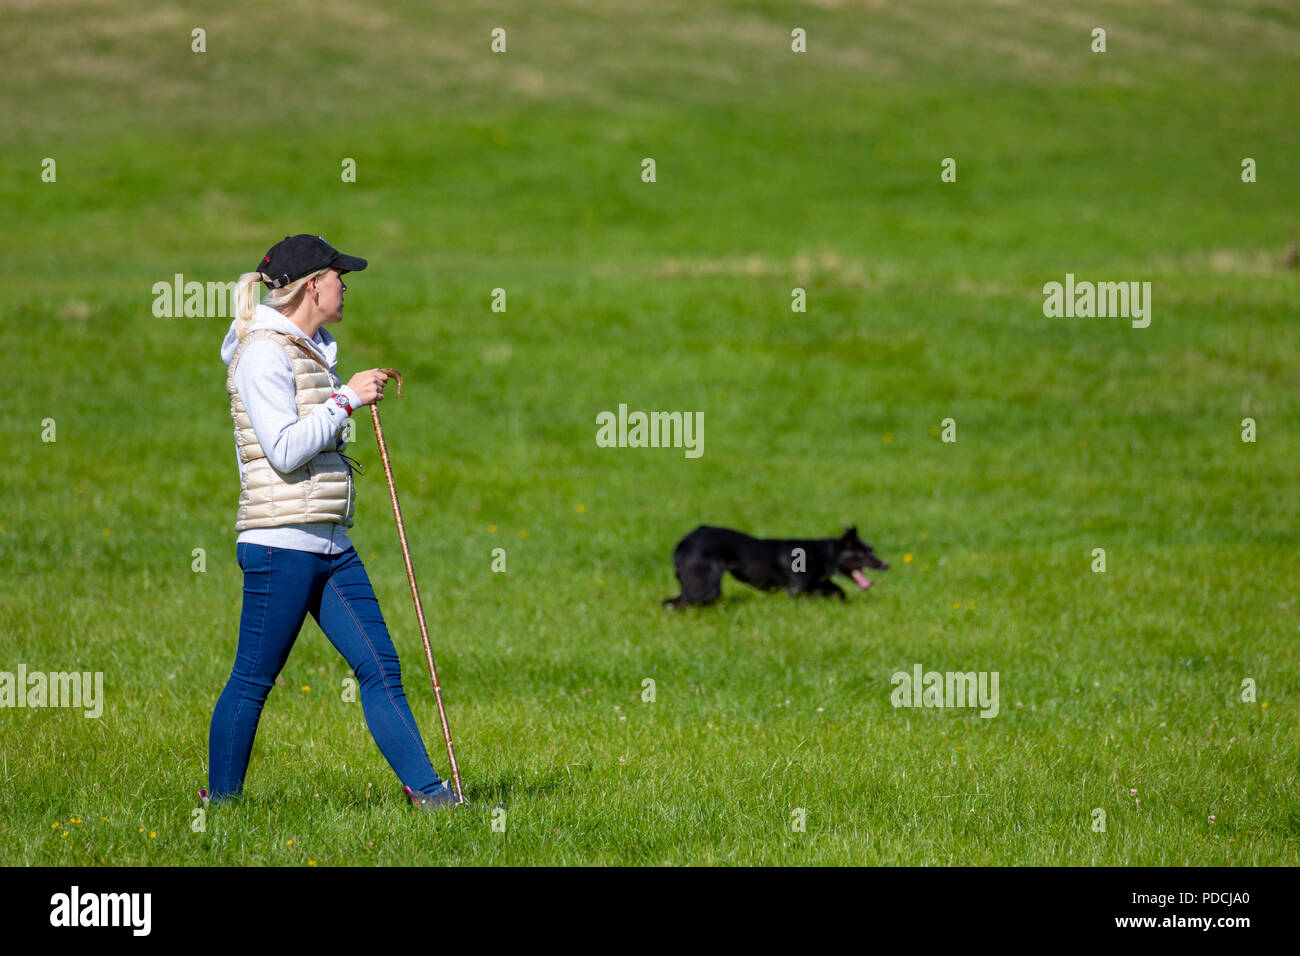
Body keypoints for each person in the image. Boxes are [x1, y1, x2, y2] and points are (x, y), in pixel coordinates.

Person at [206, 234, 456, 810]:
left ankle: (430, 795)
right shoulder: (264, 352)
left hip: (328, 540)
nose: (347, 284)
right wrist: (345, 401)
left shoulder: (312, 347)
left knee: (379, 664)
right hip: (280, 543)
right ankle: (220, 806)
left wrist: (343, 399)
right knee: (254, 677)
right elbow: (284, 449)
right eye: (340, 275)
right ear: (313, 283)